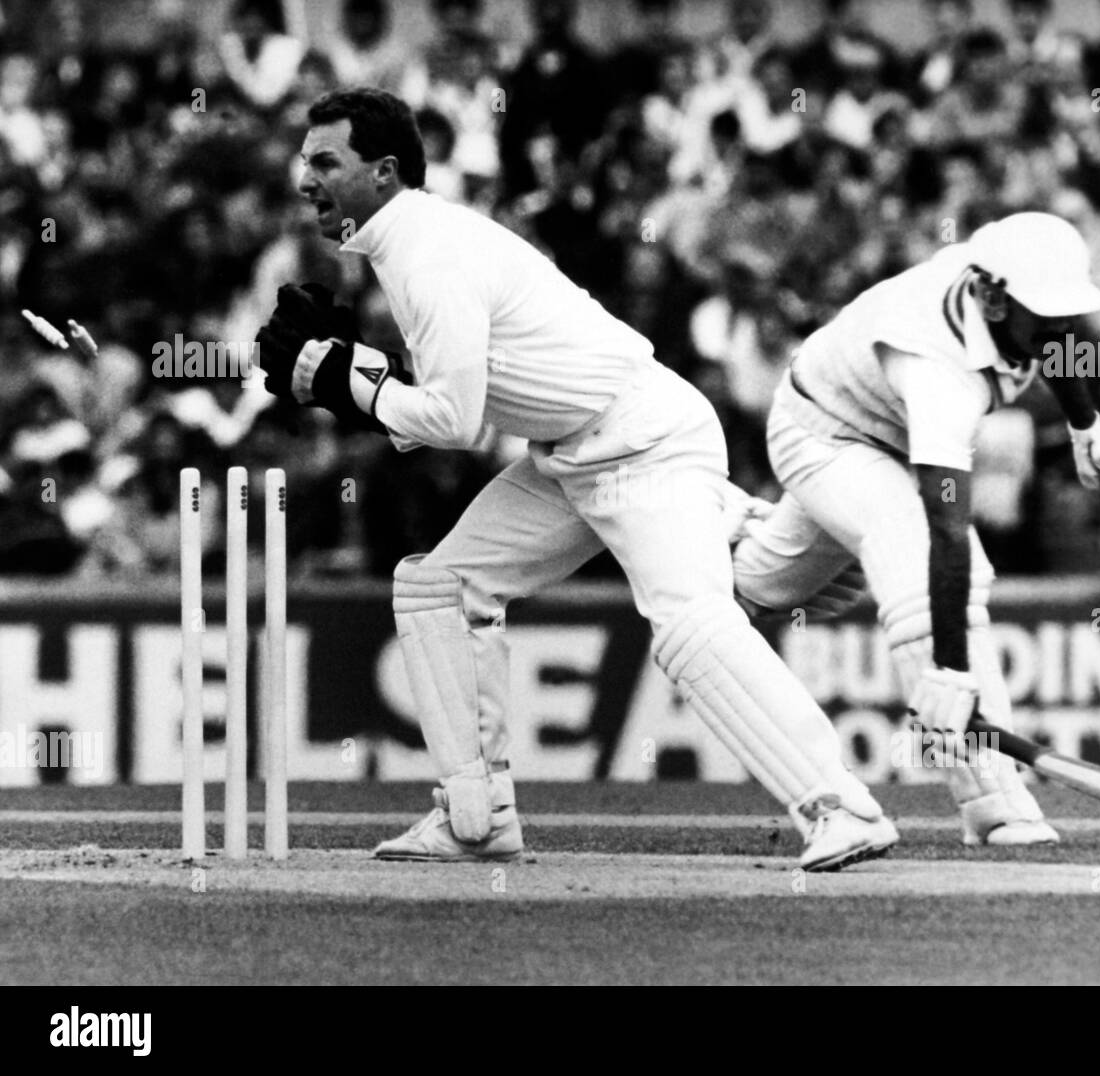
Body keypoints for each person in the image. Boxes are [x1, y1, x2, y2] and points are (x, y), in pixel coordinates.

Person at [254, 88, 897, 871]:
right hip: (573, 457)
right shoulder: (410, 244)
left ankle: (838, 804)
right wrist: (356, 381)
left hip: (643, 446)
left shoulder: (428, 254)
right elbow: (460, 397)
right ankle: (474, 817)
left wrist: (346, 386)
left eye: (326, 161)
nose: (304, 180)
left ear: (383, 172)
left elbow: (455, 422)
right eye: (304, 161)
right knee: (439, 590)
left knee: (690, 626)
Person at [732, 212, 1100, 846]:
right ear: (989, 296)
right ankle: (993, 805)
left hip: (884, 429)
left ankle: (710, 535)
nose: (1060, 326)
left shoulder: (1008, 299)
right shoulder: (936, 366)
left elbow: (1053, 339)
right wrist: (951, 671)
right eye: (1044, 311)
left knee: (756, 589)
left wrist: (1089, 429)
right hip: (824, 436)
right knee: (917, 563)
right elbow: (948, 528)